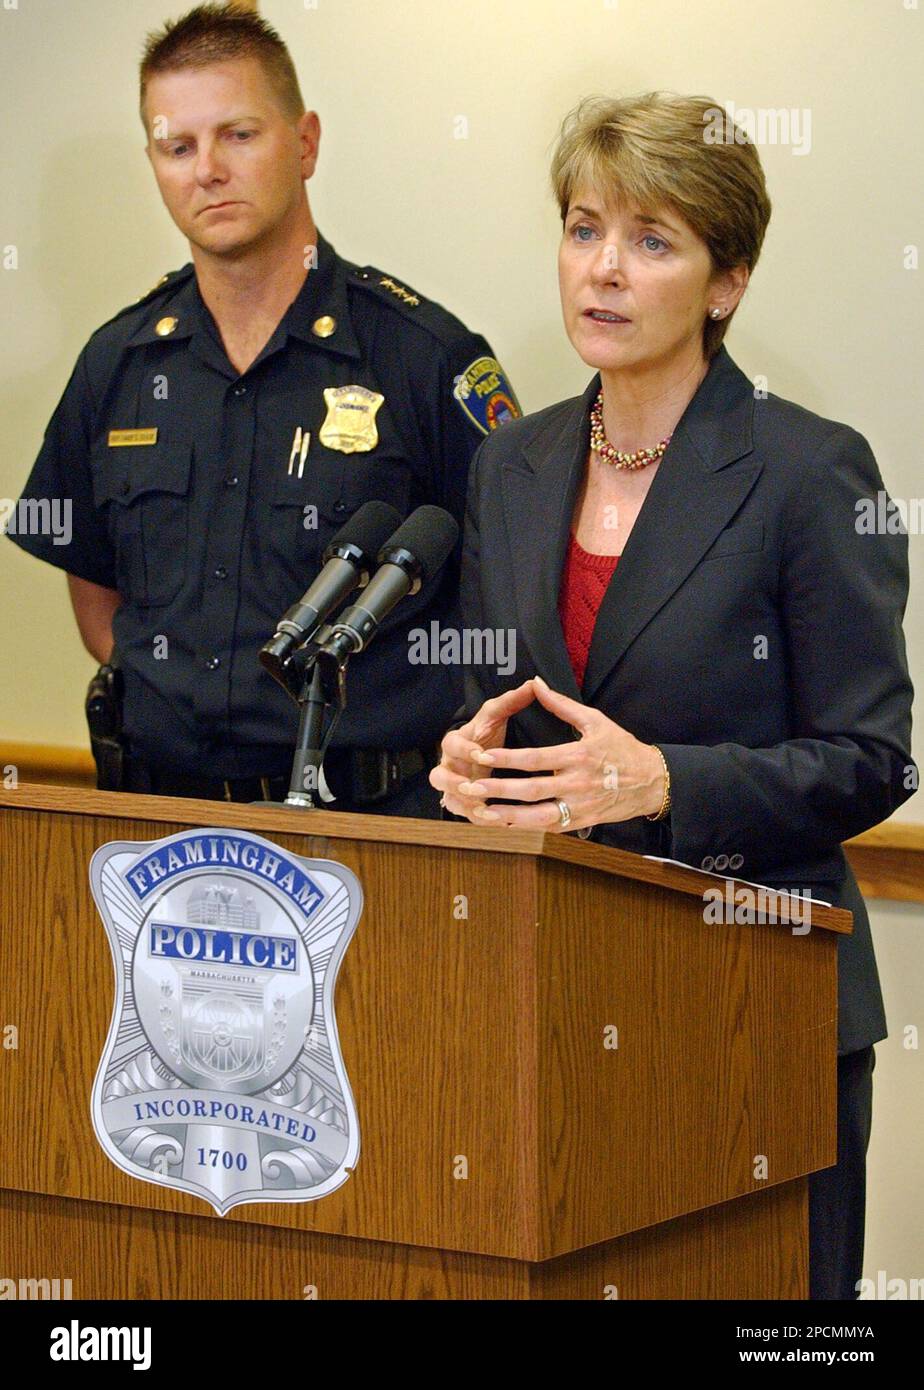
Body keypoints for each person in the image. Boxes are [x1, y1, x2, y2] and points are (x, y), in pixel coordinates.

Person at [430, 93, 916, 1299]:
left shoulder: (808, 469)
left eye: (652, 241)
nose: (604, 269)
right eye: (584, 227)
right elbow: (520, 711)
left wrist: (662, 783)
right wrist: (473, 773)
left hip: (753, 1008)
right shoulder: (512, 463)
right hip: (563, 1001)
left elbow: (872, 757)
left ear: (726, 280)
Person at [6, 2, 518, 815]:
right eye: (178, 146)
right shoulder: (117, 365)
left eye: (238, 135)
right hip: (157, 826)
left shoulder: (425, 359)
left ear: (305, 142)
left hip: (376, 828)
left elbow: (511, 603)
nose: (207, 168)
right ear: (155, 162)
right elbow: (99, 602)